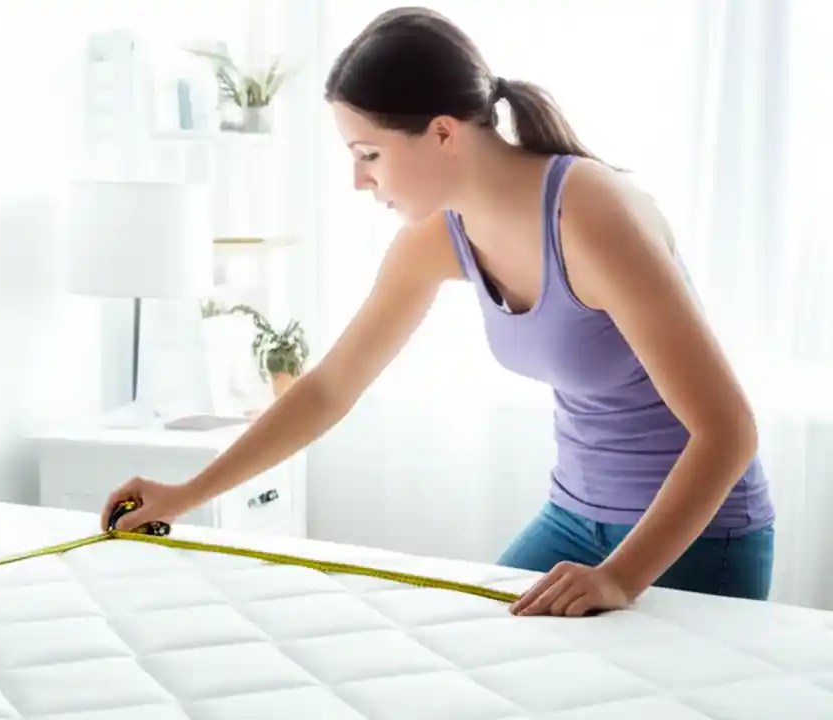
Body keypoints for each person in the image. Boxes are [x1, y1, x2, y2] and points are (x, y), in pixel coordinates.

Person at [100, 6, 775, 617]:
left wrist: (621, 578)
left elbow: (728, 431)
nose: (358, 180)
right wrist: (185, 495)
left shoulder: (593, 216)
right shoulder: (436, 239)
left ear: (444, 133)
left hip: (698, 530)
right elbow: (331, 388)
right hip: (573, 518)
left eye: (369, 154)